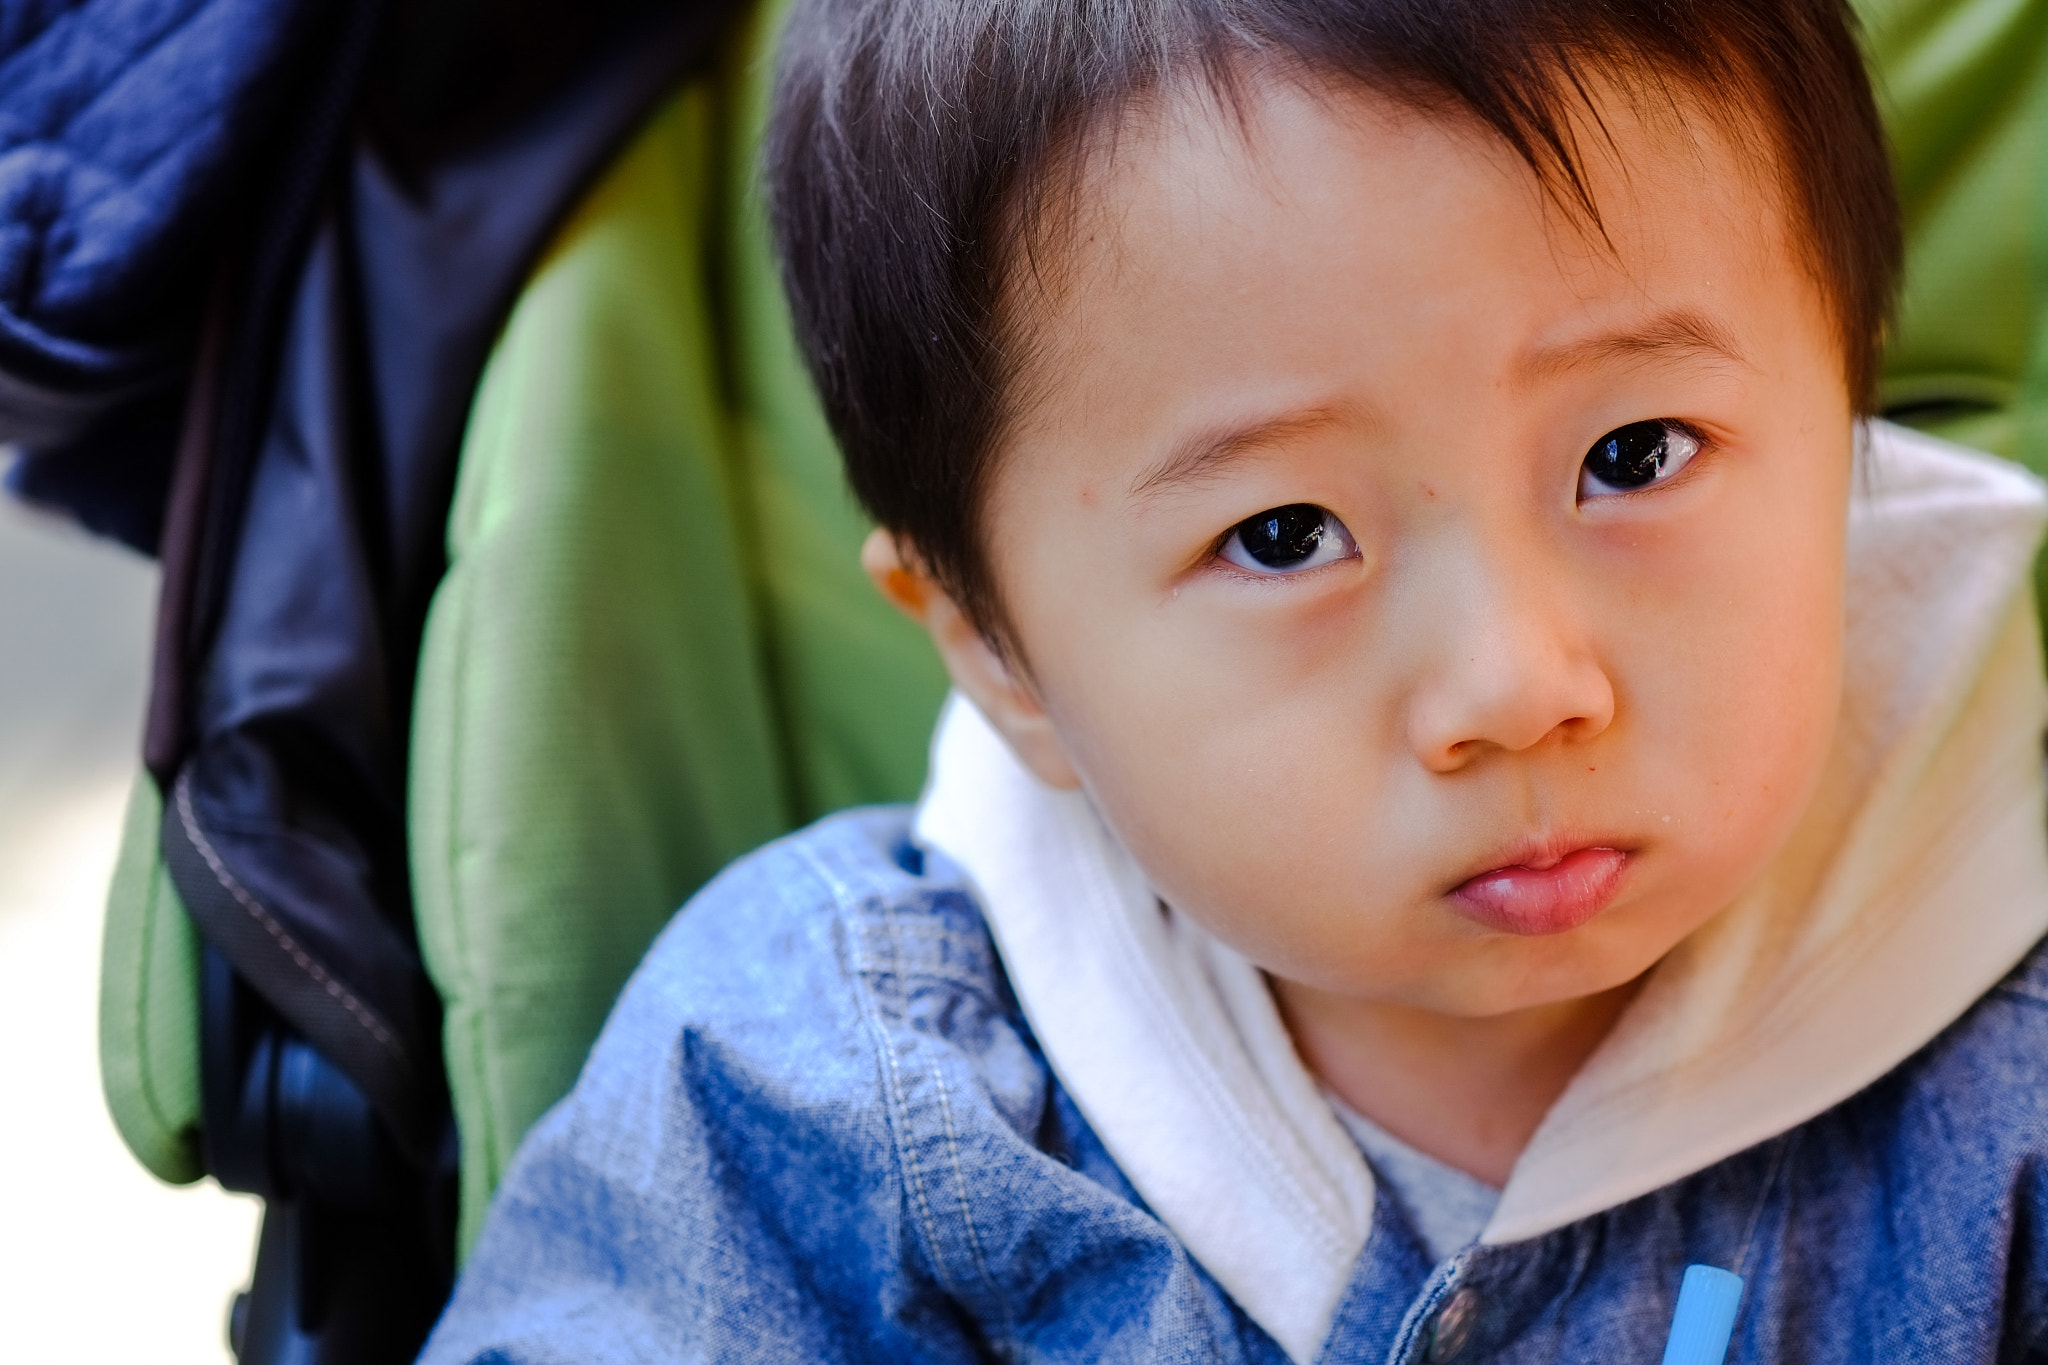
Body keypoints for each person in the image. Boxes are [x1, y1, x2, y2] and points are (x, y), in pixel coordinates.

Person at [418, 0, 2048, 1359]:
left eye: (1634, 453)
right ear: (996, 647)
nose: (1515, 682)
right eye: (1282, 534)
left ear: (1849, 439)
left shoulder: (2007, 1046)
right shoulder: (819, 1103)